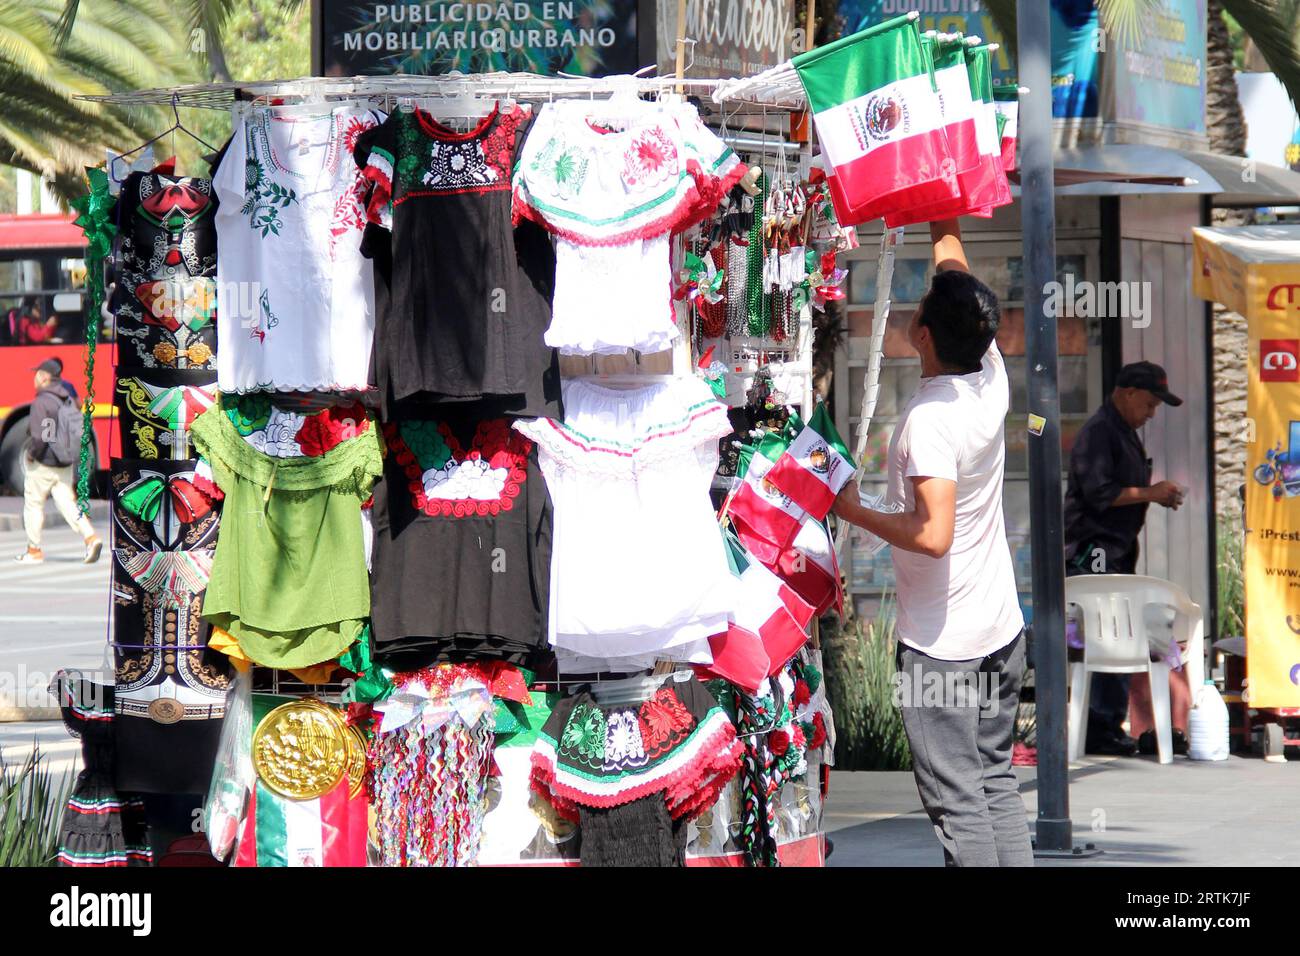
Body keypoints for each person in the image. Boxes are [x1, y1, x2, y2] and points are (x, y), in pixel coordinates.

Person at [833, 219, 1031, 867]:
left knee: (957, 799)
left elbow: (933, 534)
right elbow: (955, 272)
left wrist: (854, 509)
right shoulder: (990, 375)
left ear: (922, 335)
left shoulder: (928, 421)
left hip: (943, 647)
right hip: (1000, 629)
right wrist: (940, 206)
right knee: (995, 780)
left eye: (919, 307)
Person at [1063, 361, 1185, 756]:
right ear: (1128, 393)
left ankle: (1107, 722)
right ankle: (1099, 724)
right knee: (1103, 636)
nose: (1151, 414)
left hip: (1115, 552)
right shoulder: (1099, 433)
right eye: (1149, 404)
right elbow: (1101, 495)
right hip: (1091, 552)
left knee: (1116, 632)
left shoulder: (1124, 433)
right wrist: (1152, 493)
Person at [16, 359, 102, 565]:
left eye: (37, 373)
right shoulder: (67, 399)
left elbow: (41, 437)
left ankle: (33, 550)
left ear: (45, 377)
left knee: (33, 504)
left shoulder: (42, 401)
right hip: (65, 461)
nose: (34, 377)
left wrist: (33, 456)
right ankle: (91, 537)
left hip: (45, 462)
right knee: (66, 502)